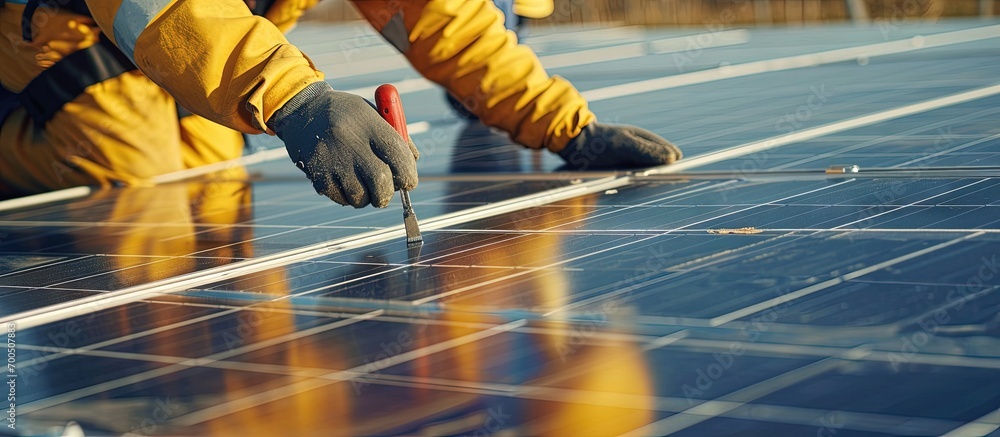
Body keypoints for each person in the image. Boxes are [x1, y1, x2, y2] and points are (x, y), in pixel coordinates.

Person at [0, 0, 682, 207]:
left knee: (208, 175)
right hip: (67, 26)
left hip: (201, 36)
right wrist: (295, 98)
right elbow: (161, 8)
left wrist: (566, 127)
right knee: (132, 172)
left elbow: (447, 22)